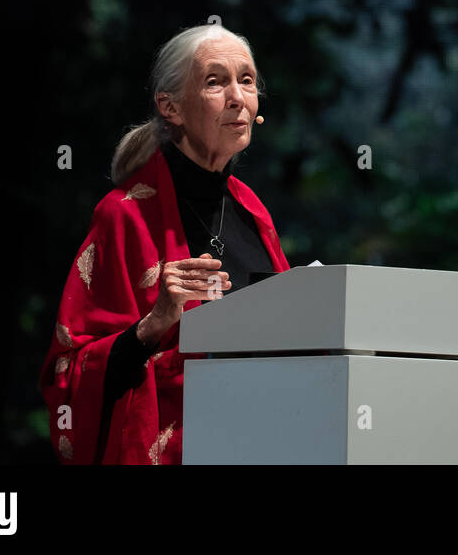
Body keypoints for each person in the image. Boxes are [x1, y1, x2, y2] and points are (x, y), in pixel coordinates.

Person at [39, 24, 290, 464]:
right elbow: (68, 376)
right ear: (170, 107)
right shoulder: (124, 214)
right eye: (215, 81)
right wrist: (154, 324)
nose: (238, 97)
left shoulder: (255, 213)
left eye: (246, 81)